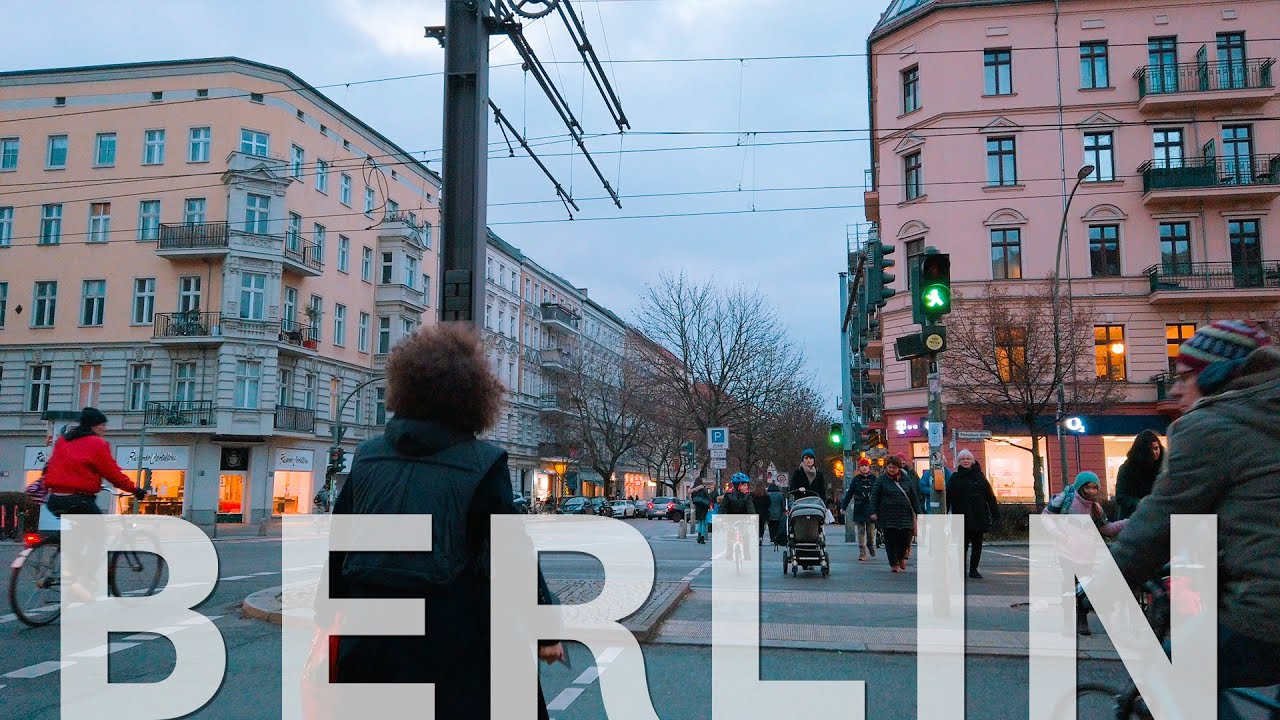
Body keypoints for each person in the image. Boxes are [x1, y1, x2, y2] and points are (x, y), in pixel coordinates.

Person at [323, 324, 564, 718]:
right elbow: (513, 554)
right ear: (472, 397)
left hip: (370, 640)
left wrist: (329, 612)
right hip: (452, 637)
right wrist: (545, 630)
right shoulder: (482, 464)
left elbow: (339, 548)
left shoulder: (366, 458)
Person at [1110, 321, 1280, 719]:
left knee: (1171, 672)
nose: (1174, 389)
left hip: (1267, 611)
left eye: (1185, 376)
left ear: (1218, 375)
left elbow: (1160, 522)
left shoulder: (1209, 427)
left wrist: (1103, 582)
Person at [43, 407, 147, 599]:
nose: (104, 429)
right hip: (79, 499)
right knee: (99, 535)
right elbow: (112, 474)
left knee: (79, 536)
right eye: (102, 425)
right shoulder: (97, 444)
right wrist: (136, 490)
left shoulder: (63, 440)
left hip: (54, 498)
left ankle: (68, 570)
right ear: (94, 426)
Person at [1044, 471, 1128, 635]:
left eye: (1094, 488)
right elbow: (1046, 516)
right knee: (1068, 587)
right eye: (1088, 487)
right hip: (1066, 551)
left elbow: (1106, 529)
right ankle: (1068, 623)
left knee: (1085, 588)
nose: (1091, 491)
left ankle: (1082, 620)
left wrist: (1127, 523)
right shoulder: (1066, 500)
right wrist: (1059, 534)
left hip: (1087, 554)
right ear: (1080, 487)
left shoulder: (1095, 508)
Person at [945, 450, 999, 579]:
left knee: (977, 544)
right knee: (961, 546)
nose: (965, 461)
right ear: (959, 462)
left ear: (972, 461)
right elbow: (948, 497)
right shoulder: (955, 478)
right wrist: (945, 514)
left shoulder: (980, 477)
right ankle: (961, 569)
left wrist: (995, 514)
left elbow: (990, 497)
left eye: (968, 459)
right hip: (961, 516)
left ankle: (973, 570)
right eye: (963, 459)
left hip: (978, 516)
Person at [868, 456, 920, 573]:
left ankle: (901, 556)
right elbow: (874, 496)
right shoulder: (882, 480)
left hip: (905, 515)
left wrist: (919, 512)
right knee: (890, 540)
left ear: (899, 468)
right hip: (888, 516)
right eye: (889, 467)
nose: (891, 469)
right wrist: (873, 512)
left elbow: (913, 496)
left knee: (906, 537)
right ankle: (894, 563)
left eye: (894, 467)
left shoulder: (906, 479)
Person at [1113, 429, 1164, 520]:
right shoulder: (1127, 469)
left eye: (1156, 448)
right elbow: (1121, 497)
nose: (1154, 453)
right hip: (1133, 517)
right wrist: (1143, 503)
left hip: (1158, 516)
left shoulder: (1164, 466)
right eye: (1150, 449)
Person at [840, 458, 879, 561]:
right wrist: (843, 506)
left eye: (866, 465)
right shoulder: (856, 480)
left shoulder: (874, 479)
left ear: (869, 467)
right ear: (859, 468)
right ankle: (862, 551)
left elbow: (879, 494)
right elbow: (849, 494)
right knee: (861, 531)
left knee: (870, 532)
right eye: (862, 466)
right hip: (860, 508)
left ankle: (870, 544)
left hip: (871, 509)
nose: (864, 468)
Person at [719, 474, 756, 559]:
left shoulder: (747, 495)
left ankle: (747, 554)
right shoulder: (728, 495)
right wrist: (720, 516)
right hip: (731, 518)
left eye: (747, 485)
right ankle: (729, 554)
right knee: (730, 535)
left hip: (743, 519)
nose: (746, 487)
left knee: (746, 535)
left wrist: (752, 516)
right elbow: (723, 506)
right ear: (738, 486)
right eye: (744, 485)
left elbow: (750, 506)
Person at [750, 479, 771, 546]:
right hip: (763, 513)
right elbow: (769, 503)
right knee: (762, 526)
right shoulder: (766, 495)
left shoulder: (752, 495)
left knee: (756, 526)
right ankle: (761, 536)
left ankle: (758, 537)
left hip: (755, 512)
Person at [765, 480, 785, 546]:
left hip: (769, 514)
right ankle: (776, 537)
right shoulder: (780, 495)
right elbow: (783, 505)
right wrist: (783, 511)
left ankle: (772, 538)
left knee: (771, 527)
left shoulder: (767, 495)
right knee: (777, 526)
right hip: (778, 514)